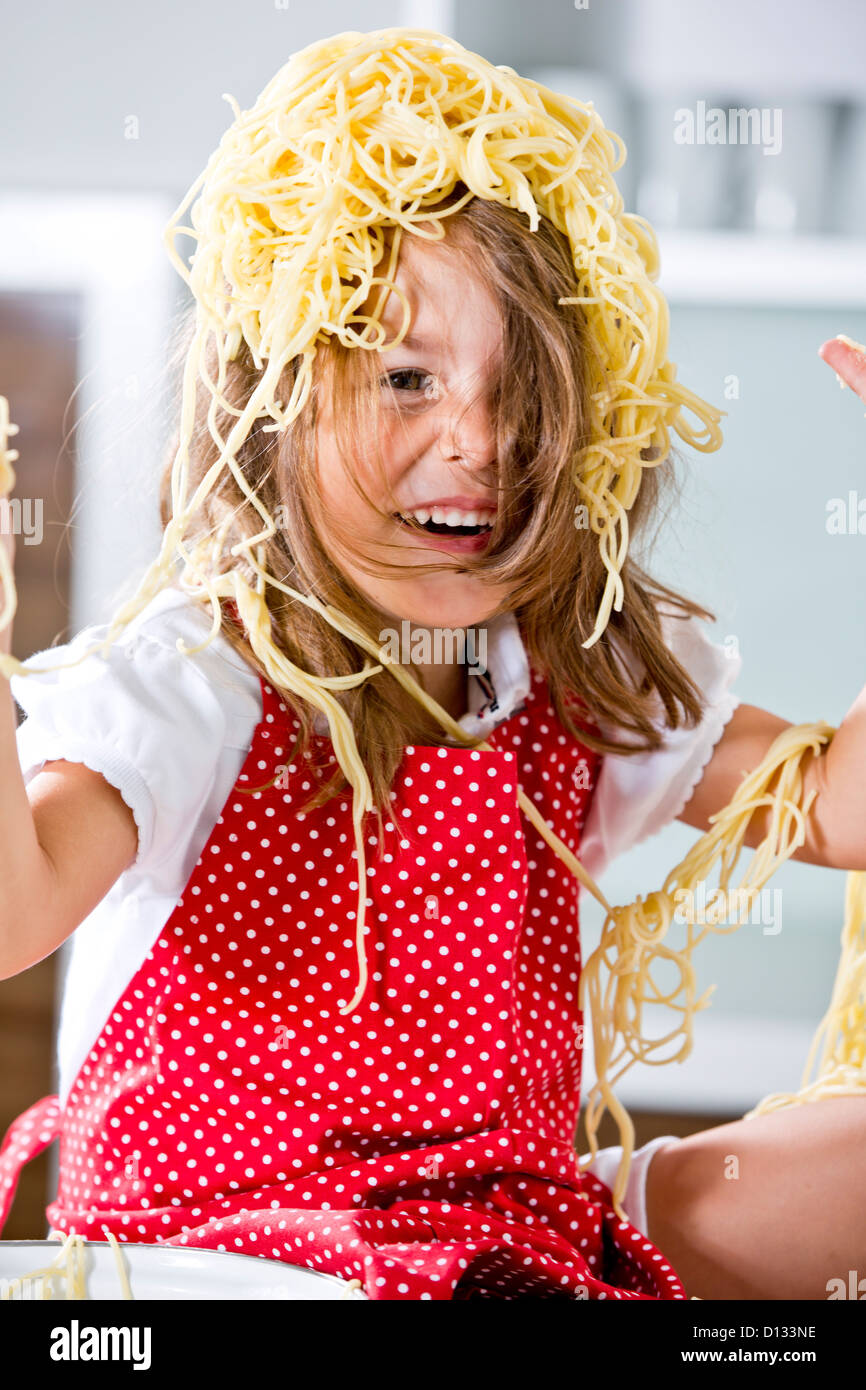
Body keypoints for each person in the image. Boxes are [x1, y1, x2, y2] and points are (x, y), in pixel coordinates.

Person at [0, 27, 864, 1301]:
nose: (476, 438)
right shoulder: (201, 678)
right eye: (406, 378)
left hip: (504, 1226)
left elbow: (836, 810)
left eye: (524, 395)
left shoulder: (573, 676)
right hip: (219, 1245)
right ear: (273, 404)